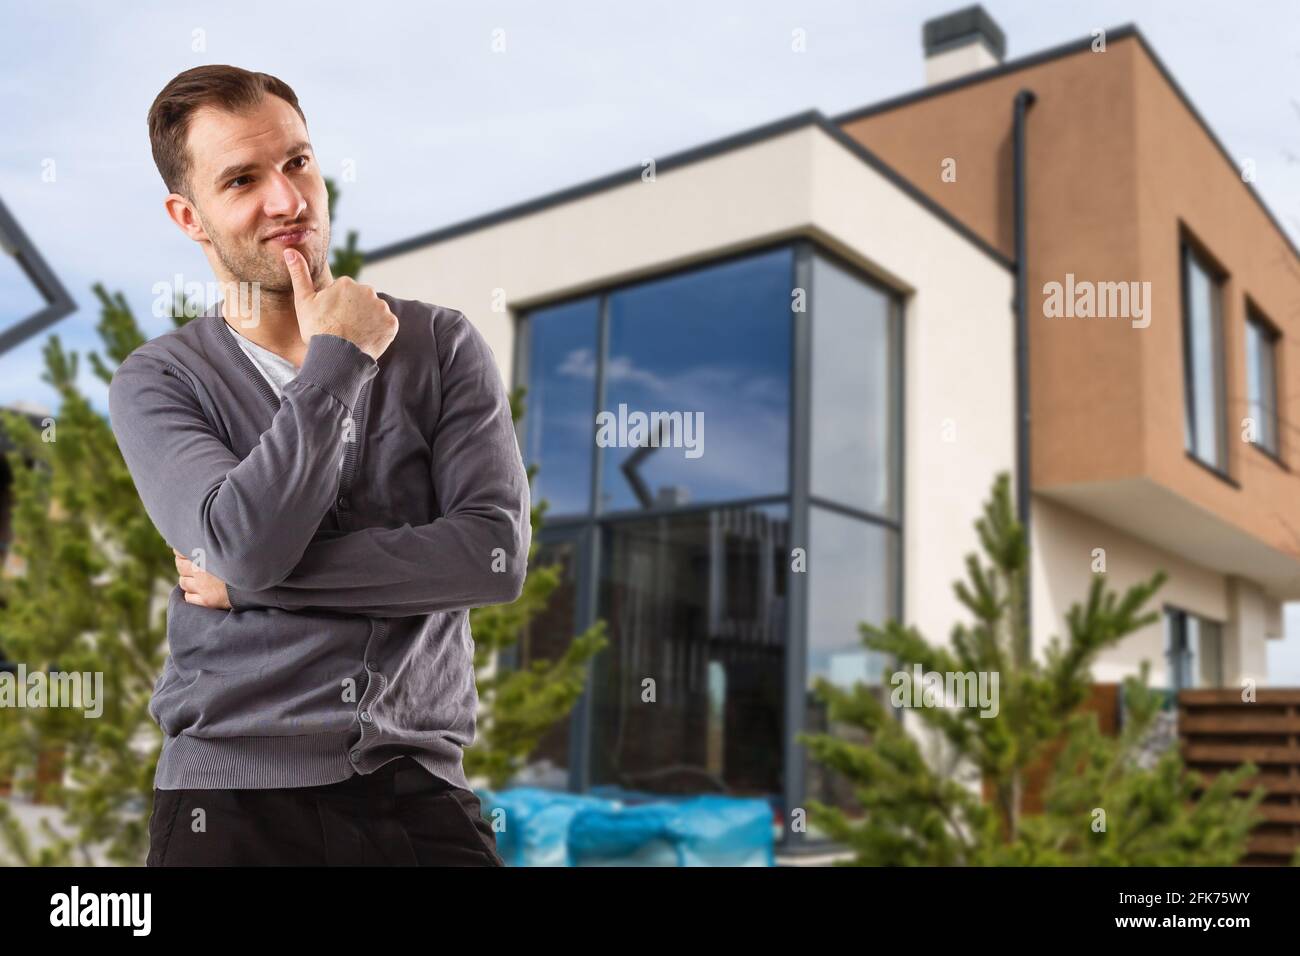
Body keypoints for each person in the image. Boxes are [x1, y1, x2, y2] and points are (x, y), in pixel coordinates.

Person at [109, 64, 530, 866]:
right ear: (188, 216)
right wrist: (337, 359)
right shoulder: (159, 380)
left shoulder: (439, 347)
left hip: (420, 793)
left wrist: (250, 583)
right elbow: (243, 540)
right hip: (230, 801)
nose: (288, 200)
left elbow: (492, 557)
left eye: (297, 162)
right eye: (242, 179)